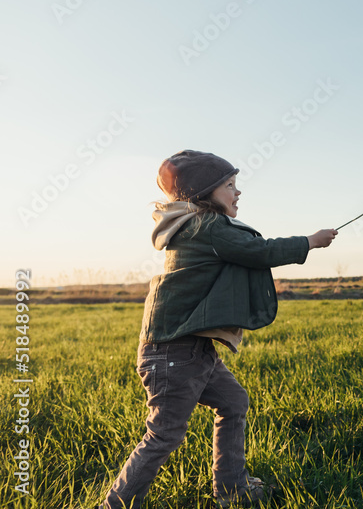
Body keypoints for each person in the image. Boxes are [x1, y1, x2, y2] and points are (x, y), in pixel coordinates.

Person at [104, 150, 339, 508]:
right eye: (229, 185)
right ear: (203, 193)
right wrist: (309, 241)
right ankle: (115, 504)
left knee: (233, 401)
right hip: (173, 352)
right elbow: (259, 251)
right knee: (164, 434)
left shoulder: (197, 226)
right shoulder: (206, 227)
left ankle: (231, 489)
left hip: (193, 350)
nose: (237, 192)